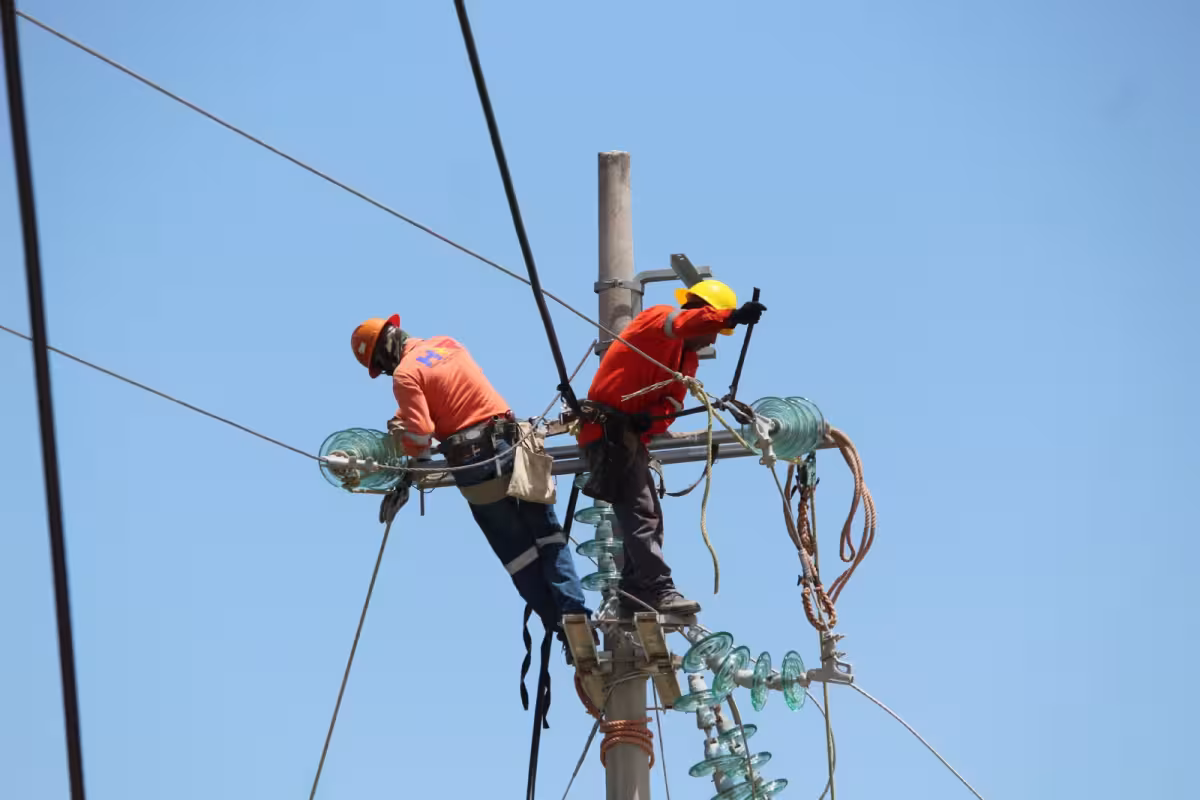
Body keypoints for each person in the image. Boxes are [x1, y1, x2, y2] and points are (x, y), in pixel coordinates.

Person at [350, 314, 592, 651]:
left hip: (474, 461)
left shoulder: (405, 375)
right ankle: (576, 614)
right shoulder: (446, 342)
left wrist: (403, 443)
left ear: (384, 355)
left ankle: (562, 628)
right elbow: (452, 393)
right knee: (548, 535)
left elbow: (421, 437)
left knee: (519, 553)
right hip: (513, 445)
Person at [576, 280, 766, 616]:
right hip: (607, 433)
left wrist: (651, 421)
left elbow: (669, 406)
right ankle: (658, 590)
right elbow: (682, 324)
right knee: (641, 515)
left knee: (650, 517)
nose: (712, 339)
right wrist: (731, 317)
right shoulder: (658, 320)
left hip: (627, 436)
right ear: (701, 311)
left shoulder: (686, 360)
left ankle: (633, 596)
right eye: (713, 329)